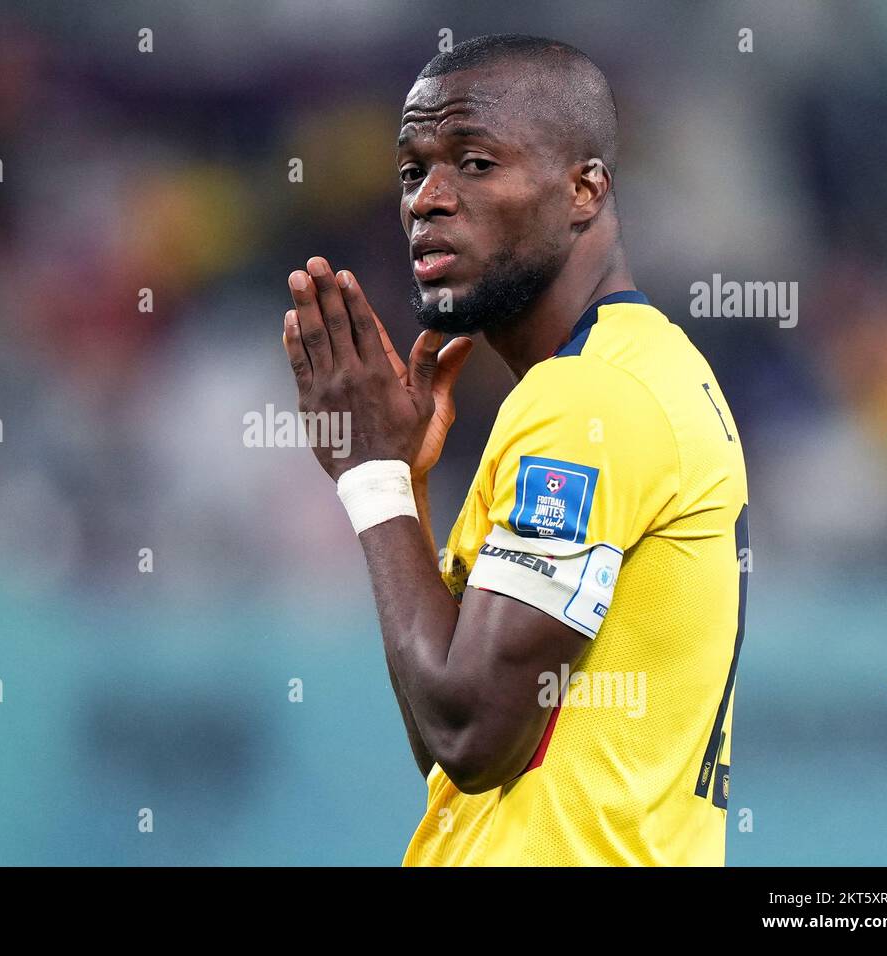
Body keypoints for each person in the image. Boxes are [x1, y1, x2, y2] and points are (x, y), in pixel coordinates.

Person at [281, 34, 748, 865]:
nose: (427, 198)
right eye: (412, 170)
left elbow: (471, 734)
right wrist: (405, 487)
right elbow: (449, 736)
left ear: (584, 187)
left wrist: (372, 479)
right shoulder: (634, 372)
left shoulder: (589, 402)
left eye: (474, 163)